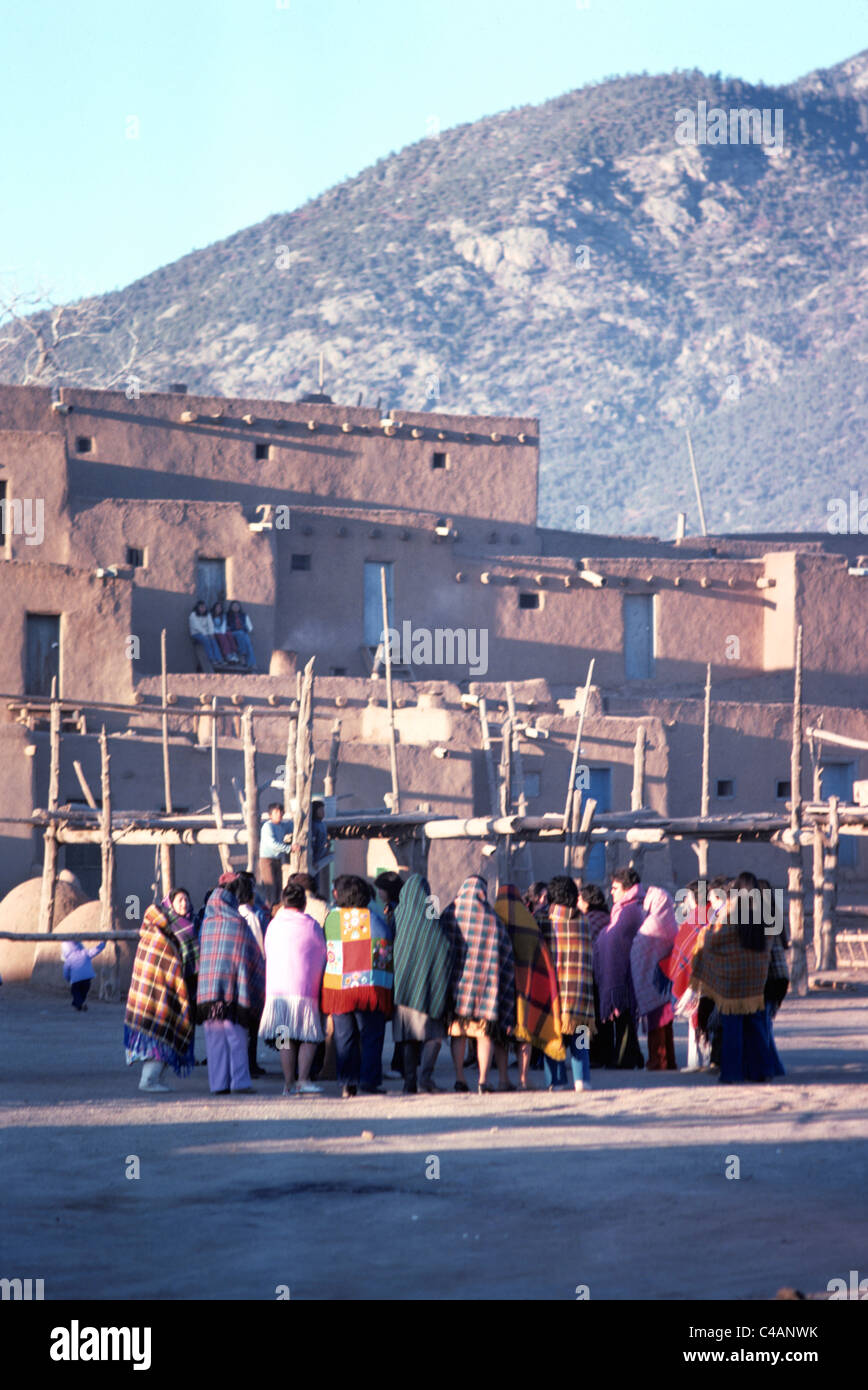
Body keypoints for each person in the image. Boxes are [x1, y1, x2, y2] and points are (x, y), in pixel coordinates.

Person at [689, 871, 780, 1084]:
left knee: (733, 1029)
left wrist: (706, 933)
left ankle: (732, 1073)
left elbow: (715, 940)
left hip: (733, 983)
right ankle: (761, 1071)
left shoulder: (731, 914)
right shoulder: (765, 913)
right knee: (757, 1028)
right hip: (756, 981)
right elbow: (770, 943)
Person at [440, 875, 516, 1094]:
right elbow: (506, 953)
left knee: (458, 1032)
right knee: (484, 1034)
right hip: (485, 987)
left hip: (458, 986)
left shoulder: (450, 913)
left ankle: (460, 1078)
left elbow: (440, 943)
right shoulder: (492, 918)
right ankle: (483, 1080)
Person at [322, 875, 394, 1097]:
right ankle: (369, 1081)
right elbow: (386, 947)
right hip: (369, 987)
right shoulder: (375, 919)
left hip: (339, 987)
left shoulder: (332, 919)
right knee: (371, 1036)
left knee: (344, 1037)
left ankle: (347, 1082)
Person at [196, 873, 266, 1094]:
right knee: (236, 1037)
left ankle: (218, 1084)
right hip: (234, 991)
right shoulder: (238, 923)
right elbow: (253, 956)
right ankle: (240, 1082)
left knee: (213, 1039)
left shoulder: (207, 924)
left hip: (208, 992)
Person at [124, 890, 198, 1092]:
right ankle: (149, 1080)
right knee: (161, 1033)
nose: (184, 903)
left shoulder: (184, 926)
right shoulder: (160, 932)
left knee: (166, 1034)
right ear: (170, 904)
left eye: (187, 899)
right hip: (157, 994)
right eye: (180, 900)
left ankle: (154, 1079)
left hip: (167, 991)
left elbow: (190, 958)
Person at [259, 880, 327, 1095]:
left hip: (277, 991)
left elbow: (267, 951)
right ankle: (303, 1079)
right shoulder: (312, 925)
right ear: (304, 903)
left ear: (283, 902)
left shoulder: (273, 925)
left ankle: (288, 1083)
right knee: (309, 1035)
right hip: (305, 989)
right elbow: (323, 953)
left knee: (284, 1037)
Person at [494, 883, 564, 1090]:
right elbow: (540, 952)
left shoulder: (494, 916)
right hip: (525, 984)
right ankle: (524, 1079)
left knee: (500, 1035)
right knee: (524, 1031)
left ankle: (503, 1079)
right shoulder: (527, 920)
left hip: (500, 986)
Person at [392, 874, 453, 1094]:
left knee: (408, 1036)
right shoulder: (431, 914)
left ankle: (409, 1081)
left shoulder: (397, 915)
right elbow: (444, 946)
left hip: (402, 988)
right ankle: (425, 1078)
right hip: (429, 986)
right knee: (433, 1035)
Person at [540, 876, 596, 1091]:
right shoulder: (584, 921)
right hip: (581, 995)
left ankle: (557, 1081)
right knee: (580, 1039)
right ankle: (582, 1079)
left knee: (552, 1039)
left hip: (553, 994)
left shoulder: (544, 920)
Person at [593, 867, 645, 1069]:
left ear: (627, 889)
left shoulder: (629, 910)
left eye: (615, 888)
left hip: (623, 976)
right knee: (624, 1020)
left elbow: (616, 941)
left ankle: (625, 1059)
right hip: (621, 974)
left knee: (624, 1019)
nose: (611, 892)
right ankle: (632, 1056)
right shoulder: (623, 908)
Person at [663, 880, 711, 1071]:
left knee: (699, 1020)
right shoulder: (704, 916)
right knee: (701, 1020)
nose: (685, 901)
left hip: (697, 978)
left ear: (694, 897)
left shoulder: (698, 919)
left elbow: (686, 949)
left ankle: (700, 1060)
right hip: (703, 977)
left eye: (687, 897)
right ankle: (700, 1060)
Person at [631, 885, 679, 1070]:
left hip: (652, 980)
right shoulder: (670, 921)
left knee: (657, 1023)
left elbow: (640, 946)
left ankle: (657, 1061)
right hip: (666, 981)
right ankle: (669, 1060)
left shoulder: (651, 923)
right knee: (666, 1024)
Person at [236, 871, 269, 1077]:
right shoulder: (253, 916)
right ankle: (251, 1063)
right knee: (253, 1022)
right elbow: (260, 948)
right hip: (253, 974)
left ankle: (246, 1062)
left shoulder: (230, 914)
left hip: (236, 975)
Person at [577, 883, 612, 1068]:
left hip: (587, 975)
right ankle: (604, 1054)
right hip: (606, 975)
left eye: (579, 898)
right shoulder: (608, 917)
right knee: (602, 1017)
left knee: (584, 1019)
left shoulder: (586, 921)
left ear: (587, 901)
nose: (577, 902)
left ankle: (584, 1054)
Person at [259, 803, 291, 909]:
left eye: (281, 812)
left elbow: (293, 825)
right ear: (270, 815)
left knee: (278, 888)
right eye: (276, 812)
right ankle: (269, 911)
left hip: (277, 860)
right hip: (267, 860)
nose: (279, 814)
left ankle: (276, 910)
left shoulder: (281, 826)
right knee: (271, 888)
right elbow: (273, 844)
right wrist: (289, 848)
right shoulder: (267, 826)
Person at [61, 938, 106, 1012]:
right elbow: (96, 950)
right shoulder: (85, 952)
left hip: (76, 980)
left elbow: (66, 971)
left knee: (75, 992)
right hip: (87, 978)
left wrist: (68, 979)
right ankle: (79, 1005)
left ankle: (79, 1004)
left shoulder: (69, 959)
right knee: (83, 992)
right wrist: (103, 943)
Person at [188, 599, 222, 668]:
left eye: (204, 607)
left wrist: (211, 633)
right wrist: (206, 634)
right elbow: (197, 626)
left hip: (207, 633)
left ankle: (219, 659)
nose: (203, 609)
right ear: (197, 607)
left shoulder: (208, 615)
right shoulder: (193, 615)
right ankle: (212, 659)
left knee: (213, 640)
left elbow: (210, 624)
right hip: (196, 633)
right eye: (201, 607)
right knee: (206, 640)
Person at [225, 600, 257, 670]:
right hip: (232, 633)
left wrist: (247, 630)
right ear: (231, 607)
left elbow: (250, 627)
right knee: (241, 634)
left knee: (248, 643)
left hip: (242, 633)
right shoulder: (227, 615)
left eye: (237, 606)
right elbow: (225, 626)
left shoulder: (244, 615)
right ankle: (244, 657)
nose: (235, 607)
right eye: (234, 606)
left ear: (239, 607)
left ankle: (251, 664)